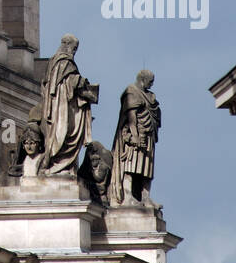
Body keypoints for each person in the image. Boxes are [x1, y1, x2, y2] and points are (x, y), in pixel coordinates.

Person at [37, 34, 99, 176]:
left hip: (61, 103)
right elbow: (67, 81)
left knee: (63, 133)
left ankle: (60, 165)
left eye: (76, 49)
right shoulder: (63, 61)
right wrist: (81, 82)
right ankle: (55, 164)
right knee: (62, 132)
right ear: (66, 45)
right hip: (61, 105)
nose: (74, 51)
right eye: (73, 48)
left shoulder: (55, 62)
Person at [110, 70, 161, 206]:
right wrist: (135, 136)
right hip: (135, 137)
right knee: (131, 165)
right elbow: (131, 115)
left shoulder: (150, 96)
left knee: (146, 168)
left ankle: (145, 197)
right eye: (151, 81)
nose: (152, 84)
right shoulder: (132, 91)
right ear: (143, 79)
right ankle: (128, 195)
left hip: (148, 135)